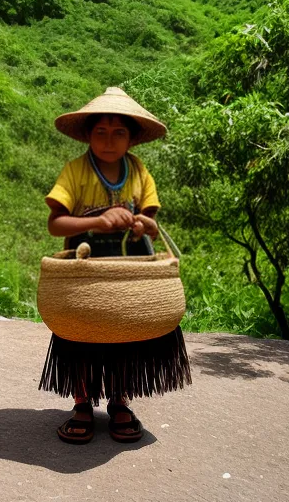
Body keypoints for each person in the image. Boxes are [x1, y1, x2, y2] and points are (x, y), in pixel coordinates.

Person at [40, 87, 190, 444]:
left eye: (119, 132)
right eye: (101, 132)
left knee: (127, 333)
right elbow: (56, 224)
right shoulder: (75, 171)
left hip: (131, 270)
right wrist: (96, 221)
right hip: (85, 266)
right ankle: (81, 404)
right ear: (88, 135)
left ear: (133, 138)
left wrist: (142, 224)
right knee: (81, 332)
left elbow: (151, 222)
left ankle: (120, 402)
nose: (109, 140)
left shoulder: (139, 172)